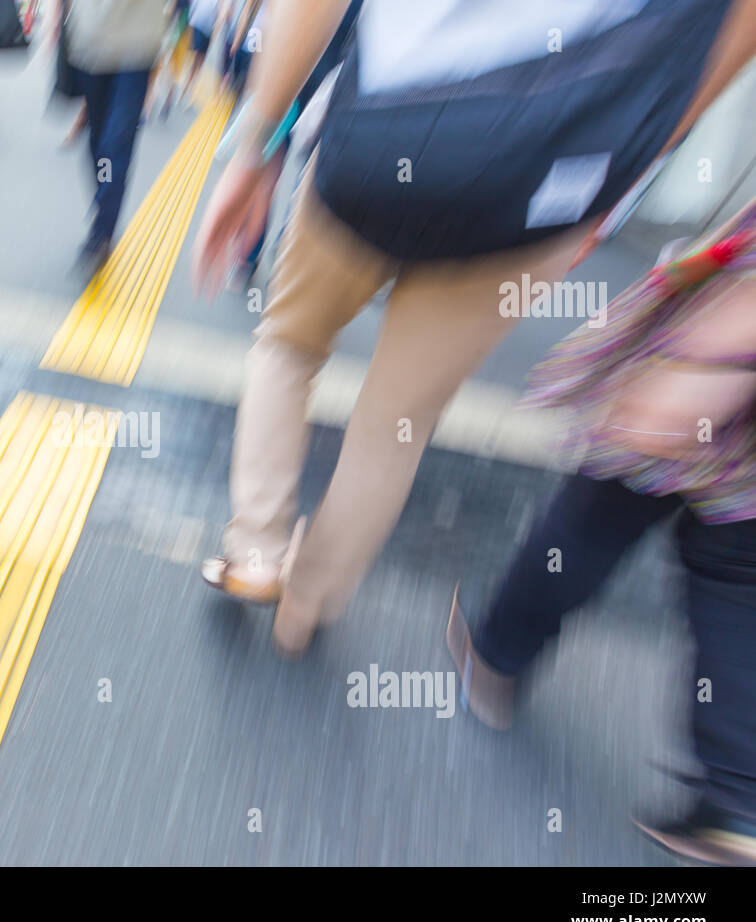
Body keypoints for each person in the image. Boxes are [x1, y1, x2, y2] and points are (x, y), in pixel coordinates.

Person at [193, 0, 756, 656]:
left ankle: (256, 552)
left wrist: (257, 140)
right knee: (394, 425)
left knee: (289, 343)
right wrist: (618, 174)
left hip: (384, 129)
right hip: (540, 184)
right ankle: (306, 608)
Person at [448, 208, 756, 865]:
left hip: (732, 378)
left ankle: (496, 655)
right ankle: (736, 803)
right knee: (738, 578)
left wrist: (706, 357)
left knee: (601, 508)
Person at [53, 0, 170, 276]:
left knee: (117, 140)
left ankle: (102, 231)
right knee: (97, 138)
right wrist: (57, 24)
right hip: (91, 40)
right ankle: (104, 203)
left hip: (138, 44)